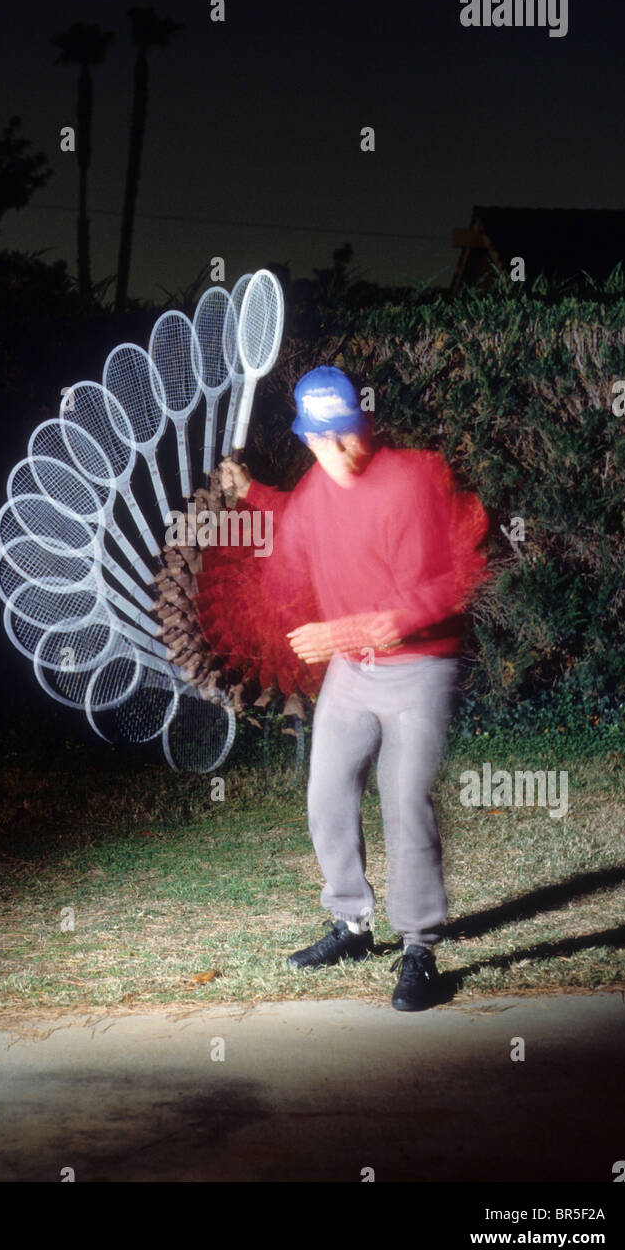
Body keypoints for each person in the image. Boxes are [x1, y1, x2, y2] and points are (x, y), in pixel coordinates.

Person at [216, 366, 490, 1011]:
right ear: (305, 437)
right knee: (327, 793)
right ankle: (351, 924)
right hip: (353, 671)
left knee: (405, 801)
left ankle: (419, 947)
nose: (339, 453)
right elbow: (297, 521)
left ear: (365, 426)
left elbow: (443, 586)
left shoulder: (412, 478)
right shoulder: (316, 483)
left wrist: (349, 630)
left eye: (348, 435)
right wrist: (251, 493)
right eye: (322, 439)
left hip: (419, 668)